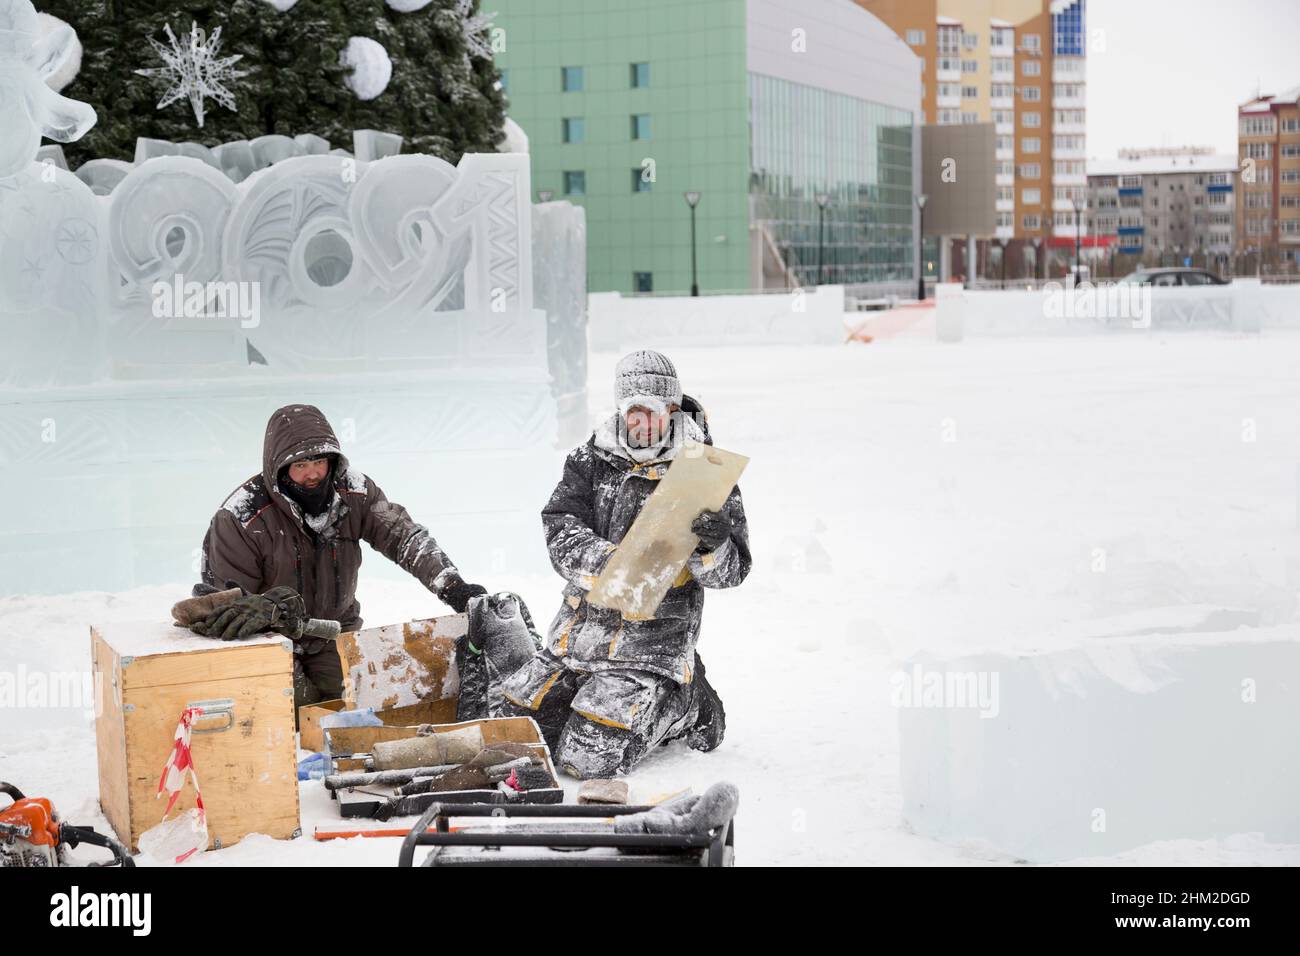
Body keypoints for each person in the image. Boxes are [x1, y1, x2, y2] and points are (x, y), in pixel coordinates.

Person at [498, 350, 751, 778]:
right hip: (576, 638)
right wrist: (613, 563)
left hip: (651, 644)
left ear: (672, 410)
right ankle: (588, 692)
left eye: (652, 411)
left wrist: (712, 545)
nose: (641, 422)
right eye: (632, 411)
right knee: (512, 738)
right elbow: (559, 527)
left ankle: (686, 701)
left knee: (586, 761)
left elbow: (732, 572)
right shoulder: (589, 460)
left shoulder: (702, 473)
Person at [189, 403, 487, 708]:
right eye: (300, 465)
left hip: (334, 633)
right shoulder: (241, 517)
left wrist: (452, 585)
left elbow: (403, 536)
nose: (313, 474)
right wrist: (270, 613)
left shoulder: (354, 492)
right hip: (269, 642)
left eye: (319, 461)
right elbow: (225, 604)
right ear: (278, 466)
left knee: (355, 712)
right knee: (296, 715)